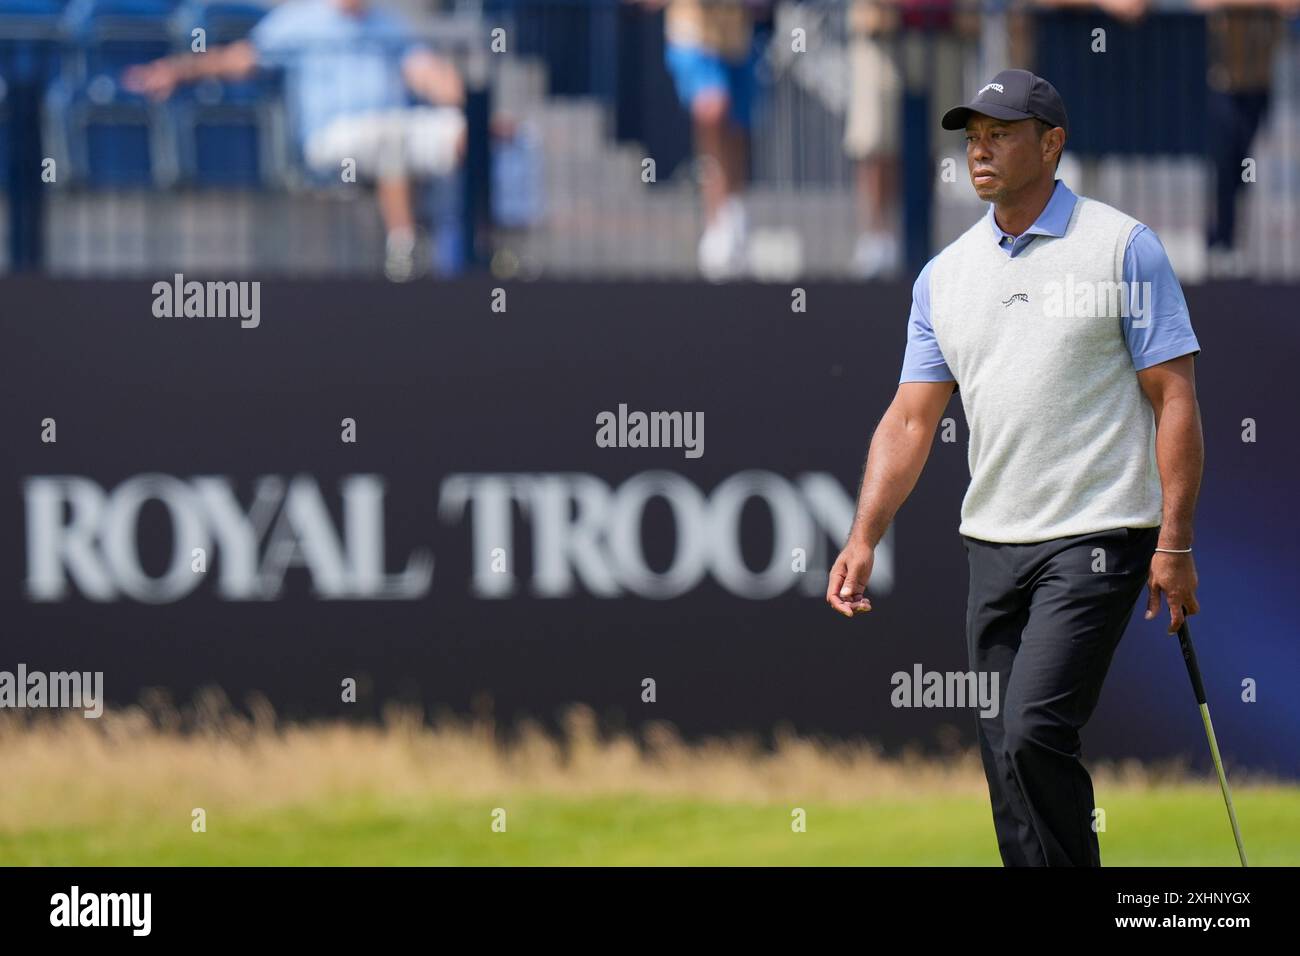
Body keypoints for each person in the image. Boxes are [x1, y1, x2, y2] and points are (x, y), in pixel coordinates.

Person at [826, 70, 1205, 866]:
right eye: (972, 136)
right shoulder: (944, 276)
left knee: (1035, 729)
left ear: (1052, 143)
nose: (981, 150)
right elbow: (909, 419)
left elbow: (1174, 400)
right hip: (993, 544)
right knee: (1005, 764)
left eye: (1000, 133)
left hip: (1097, 536)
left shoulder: (1122, 247)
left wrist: (1174, 544)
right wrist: (864, 536)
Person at [124, 0, 467, 281]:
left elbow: (430, 74)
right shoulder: (299, 21)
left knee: (463, 134)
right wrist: (177, 70)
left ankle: (479, 247)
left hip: (392, 135)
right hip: (331, 141)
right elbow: (238, 60)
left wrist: (472, 108)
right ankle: (405, 253)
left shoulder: (388, 24)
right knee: (391, 138)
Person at [641, 0, 769, 280]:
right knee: (713, 108)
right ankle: (715, 223)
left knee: (737, 129)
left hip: (737, 38)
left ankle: (733, 212)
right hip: (692, 34)